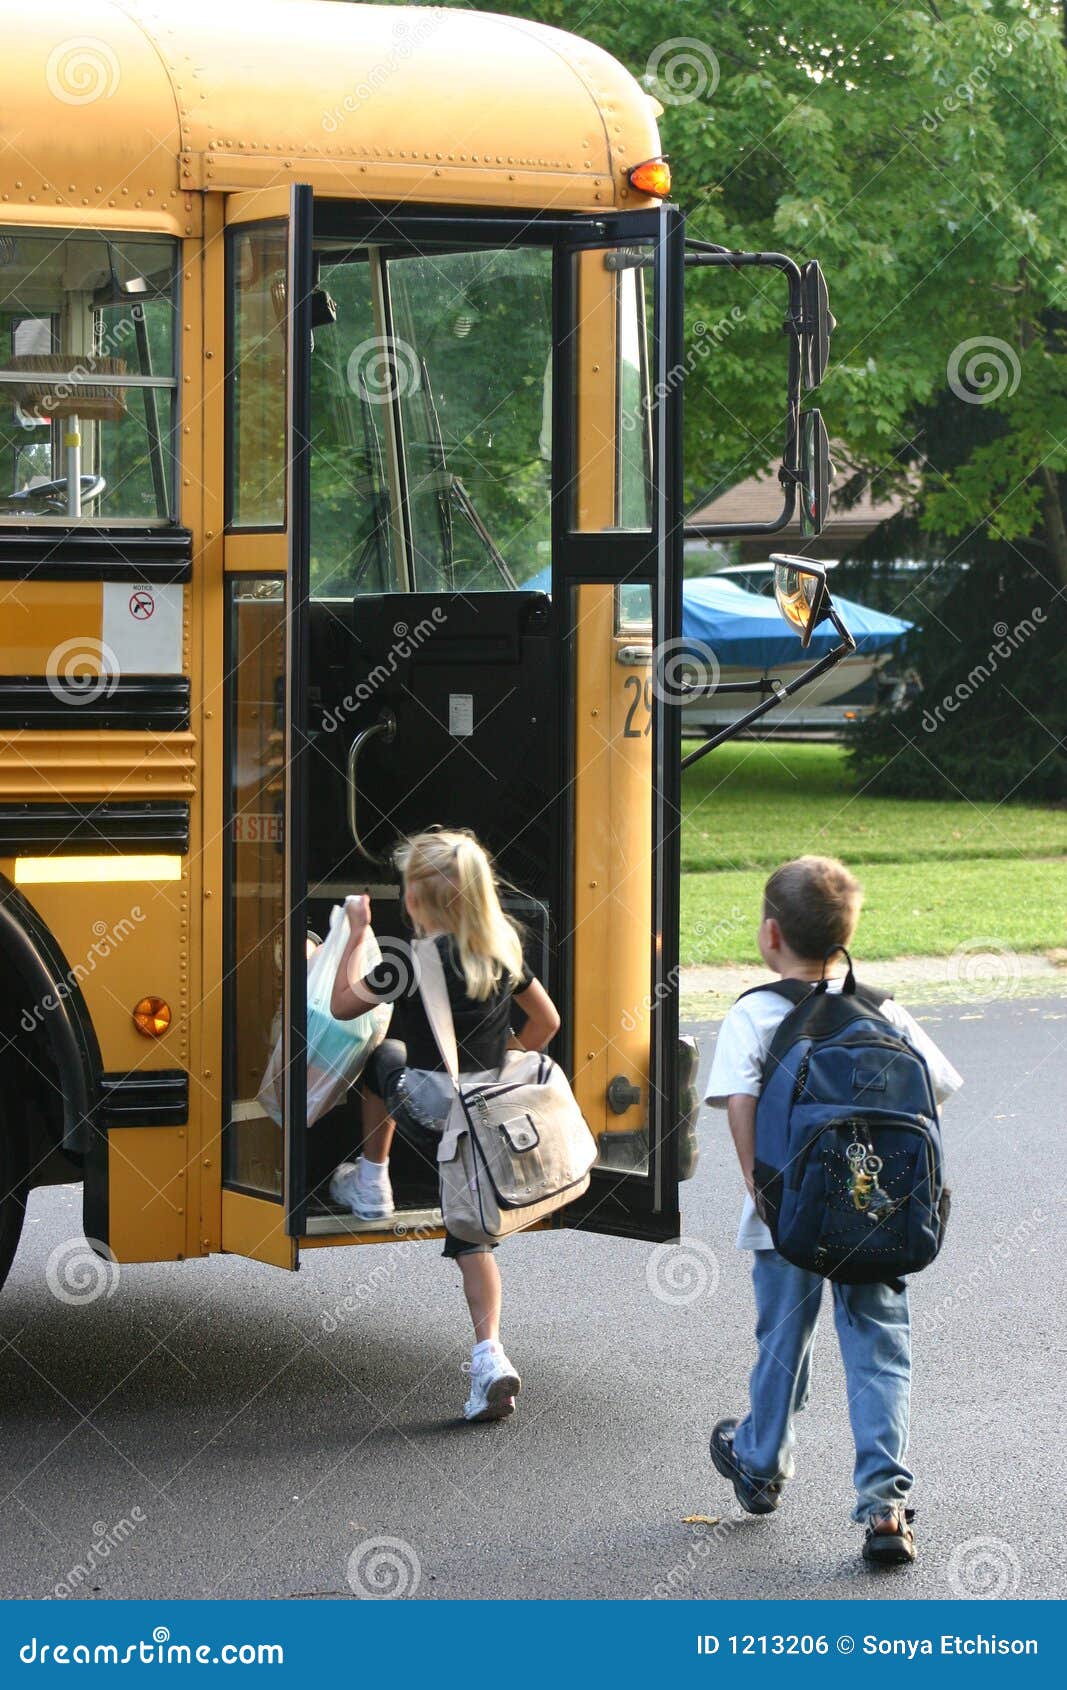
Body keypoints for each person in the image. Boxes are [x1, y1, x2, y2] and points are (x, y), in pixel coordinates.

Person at [704, 855, 962, 1566]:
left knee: (782, 1343)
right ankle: (883, 1507)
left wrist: (766, 1195)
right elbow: (936, 1090)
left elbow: (741, 1109)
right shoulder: (883, 1010)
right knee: (878, 1349)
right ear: (846, 930)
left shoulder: (754, 1012)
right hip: (875, 1211)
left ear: (769, 934)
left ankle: (758, 1464)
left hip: (787, 1214)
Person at [328, 828, 560, 1423]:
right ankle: (490, 1356)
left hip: (431, 1108)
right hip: (486, 1113)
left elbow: (342, 1006)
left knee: (383, 1055)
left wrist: (358, 933)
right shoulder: (504, 950)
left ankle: (372, 1180)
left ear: (413, 901)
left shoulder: (406, 960)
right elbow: (548, 1022)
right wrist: (506, 1058)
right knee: (473, 1240)